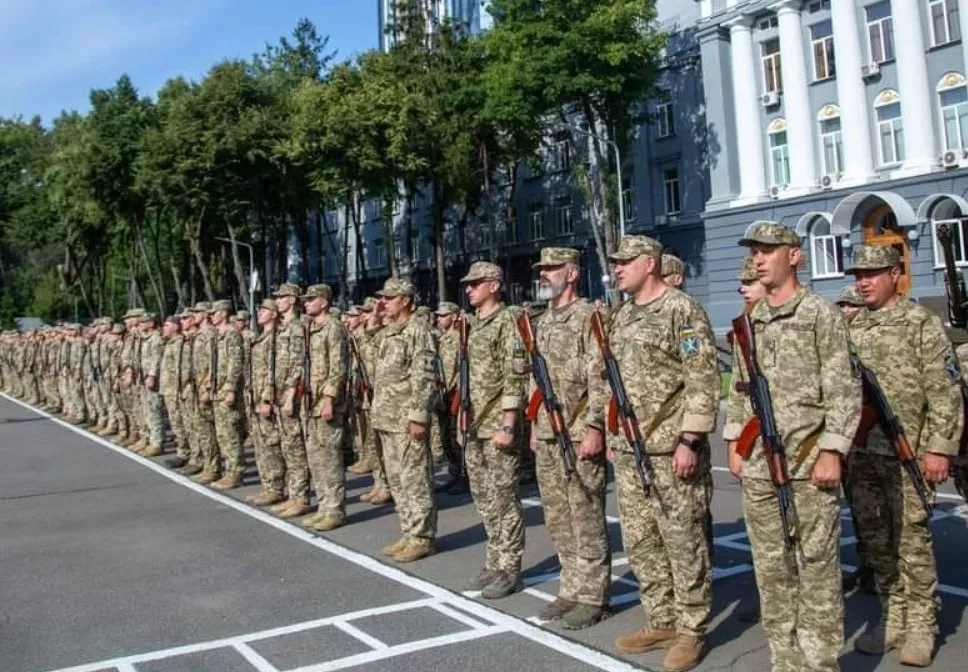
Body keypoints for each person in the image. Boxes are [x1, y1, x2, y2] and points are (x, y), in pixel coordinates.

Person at [724, 221, 861, 672]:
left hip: (809, 461)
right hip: (760, 464)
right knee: (771, 570)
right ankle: (784, 661)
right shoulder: (750, 321)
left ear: (794, 256)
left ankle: (819, 664)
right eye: (755, 251)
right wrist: (734, 440)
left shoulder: (819, 314)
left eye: (768, 250)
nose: (759, 258)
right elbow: (740, 388)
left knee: (817, 567)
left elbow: (843, 389)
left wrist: (833, 450)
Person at [602, 236, 718, 672]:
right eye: (615, 262)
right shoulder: (621, 315)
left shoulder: (681, 311)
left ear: (649, 263)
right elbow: (611, 381)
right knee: (641, 539)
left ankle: (691, 629)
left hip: (671, 449)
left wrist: (690, 439)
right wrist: (611, 432)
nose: (617, 269)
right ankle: (662, 619)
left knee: (683, 539)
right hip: (630, 448)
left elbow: (702, 378)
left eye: (625, 262)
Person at [847, 245, 962, 667]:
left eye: (872, 274)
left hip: (907, 452)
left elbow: (945, 391)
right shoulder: (853, 328)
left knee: (912, 541)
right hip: (862, 454)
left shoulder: (920, 323)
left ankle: (922, 625)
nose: (863, 282)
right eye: (859, 275)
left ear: (896, 274)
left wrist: (939, 448)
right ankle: (892, 616)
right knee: (876, 541)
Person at [528, 247, 611, 630]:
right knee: (558, 515)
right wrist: (533, 425)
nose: (544, 274)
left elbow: (601, 379)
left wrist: (595, 427)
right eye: (542, 269)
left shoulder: (589, 318)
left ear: (572, 274)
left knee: (586, 515)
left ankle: (593, 596)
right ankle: (571, 586)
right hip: (547, 432)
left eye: (552, 268)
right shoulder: (542, 322)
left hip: (579, 433)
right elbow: (535, 381)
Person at [460, 261, 530, 599]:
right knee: (485, 499)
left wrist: (508, 424)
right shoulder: (472, 325)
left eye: (476, 283)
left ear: (494, 285)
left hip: (498, 425)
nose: (469, 289)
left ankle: (510, 568)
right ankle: (494, 560)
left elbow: (515, 376)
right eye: (468, 284)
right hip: (475, 425)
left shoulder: (507, 322)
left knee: (504, 499)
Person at [371, 277, 438, 562]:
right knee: (397, 479)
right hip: (387, 417)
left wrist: (419, 416)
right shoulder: (389, 331)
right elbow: (368, 350)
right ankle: (408, 532)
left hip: (406, 418)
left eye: (390, 298)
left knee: (415, 479)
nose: (384, 302)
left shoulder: (418, 330)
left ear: (406, 300)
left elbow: (426, 376)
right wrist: (375, 320)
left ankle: (422, 538)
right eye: (383, 298)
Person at [300, 284, 350, 532]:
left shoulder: (333, 327)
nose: (306, 303)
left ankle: (334, 510)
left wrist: (329, 398)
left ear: (324, 302)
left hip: (325, 402)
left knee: (330, 458)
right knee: (316, 458)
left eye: (311, 299)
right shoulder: (311, 328)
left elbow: (338, 366)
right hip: (310, 401)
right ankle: (323, 506)